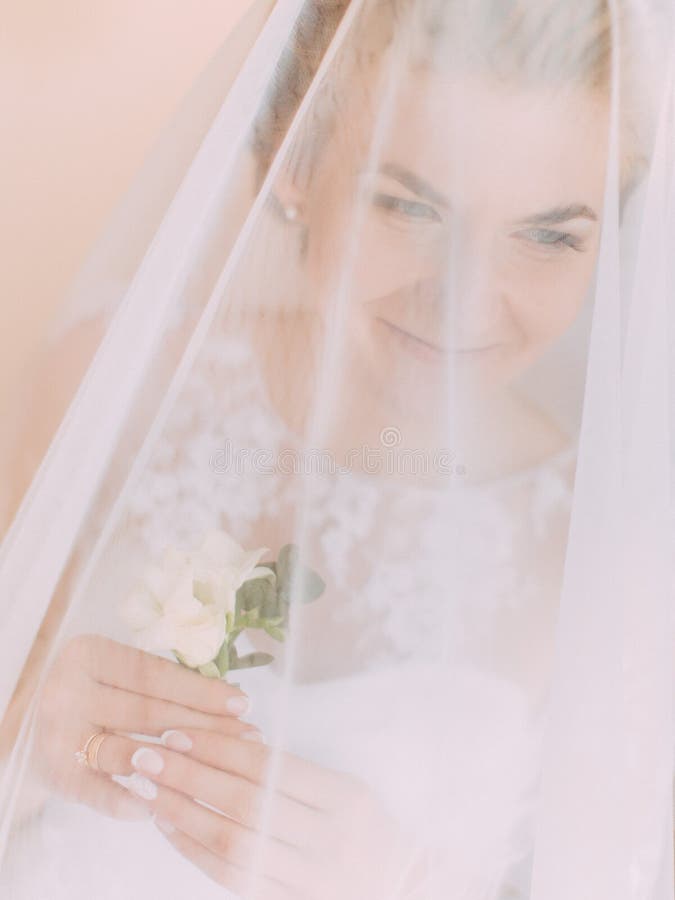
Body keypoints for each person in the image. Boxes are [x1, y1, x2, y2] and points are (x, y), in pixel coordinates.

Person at [0, 1, 672, 898]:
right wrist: (24, 746)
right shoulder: (112, 385)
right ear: (295, 161)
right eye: (409, 206)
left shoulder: (608, 544)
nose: (466, 300)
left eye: (548, 235)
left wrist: (404, 884)